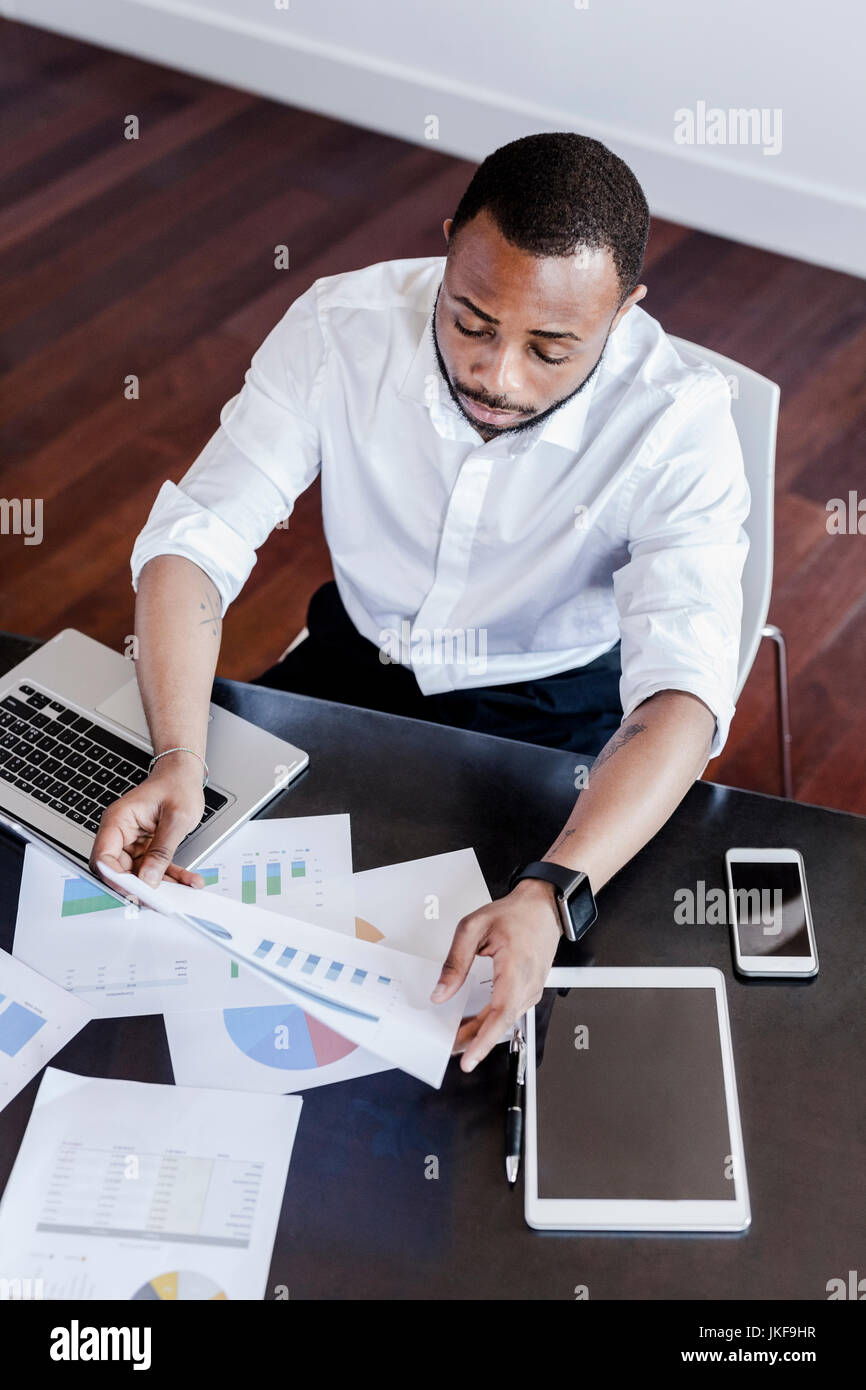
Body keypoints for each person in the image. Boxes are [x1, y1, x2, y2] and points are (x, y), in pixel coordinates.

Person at [91, 132, 749, 1073]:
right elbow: (196, 541)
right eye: (472, 321)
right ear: (448, 248)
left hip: (554, 707)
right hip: (353, 662)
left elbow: (682, 696)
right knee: (187, 929)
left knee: (506, 1006)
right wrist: (177, 752)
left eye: (552, 349)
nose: (498, 376)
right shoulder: (340, 326)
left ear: (625, 310)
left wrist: (555, 889)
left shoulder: (680, 421)